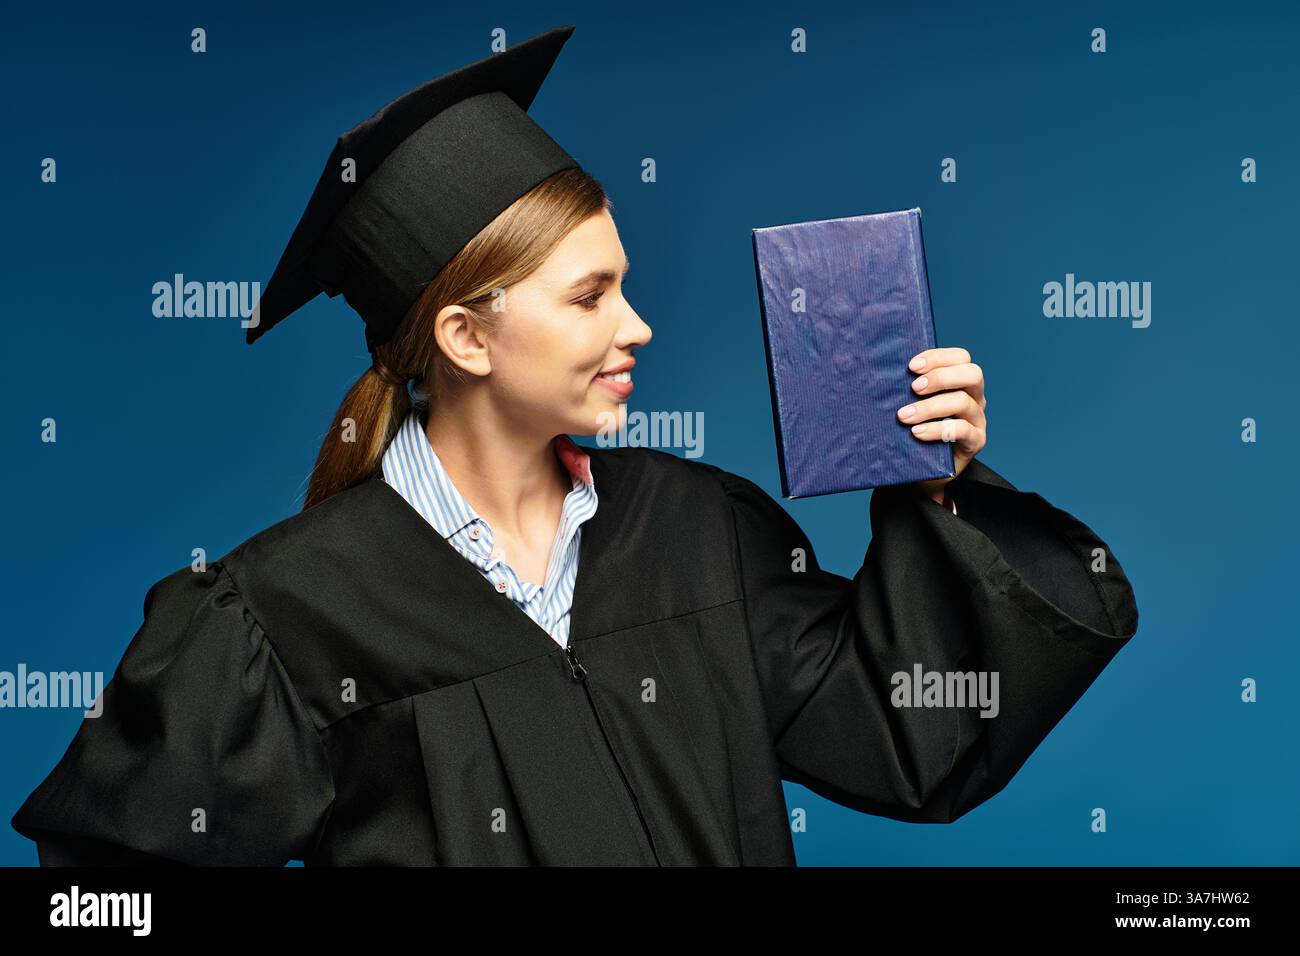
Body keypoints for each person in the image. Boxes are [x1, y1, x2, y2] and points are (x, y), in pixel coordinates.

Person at [10, 25, 1138, 866]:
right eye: (591, 294)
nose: (637, 325)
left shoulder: (700, 528)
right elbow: (105, 889)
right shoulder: (278, 615)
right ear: (465, 334)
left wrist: (933, 487)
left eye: (625, 287)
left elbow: (908, 731)